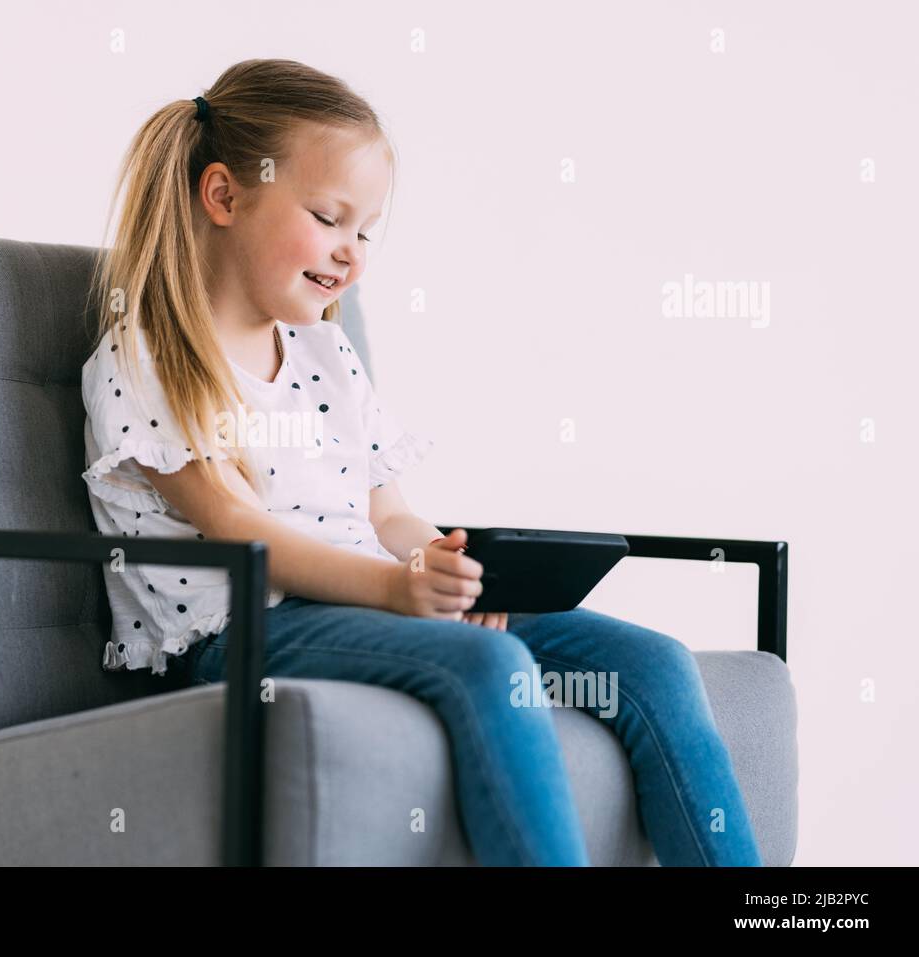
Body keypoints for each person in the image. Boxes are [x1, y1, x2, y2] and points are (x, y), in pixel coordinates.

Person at [79, 58, 762, 866]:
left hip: (369, 597)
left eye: (365, 231)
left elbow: (387, 514)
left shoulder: (324, 351)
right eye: (330, 218)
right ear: (224, 195)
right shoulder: (153, 357)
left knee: (654, 662)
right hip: (247, 630)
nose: (351, 255)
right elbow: (241, 531)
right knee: (487, 662)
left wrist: (443, 566)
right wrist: (399, 593)